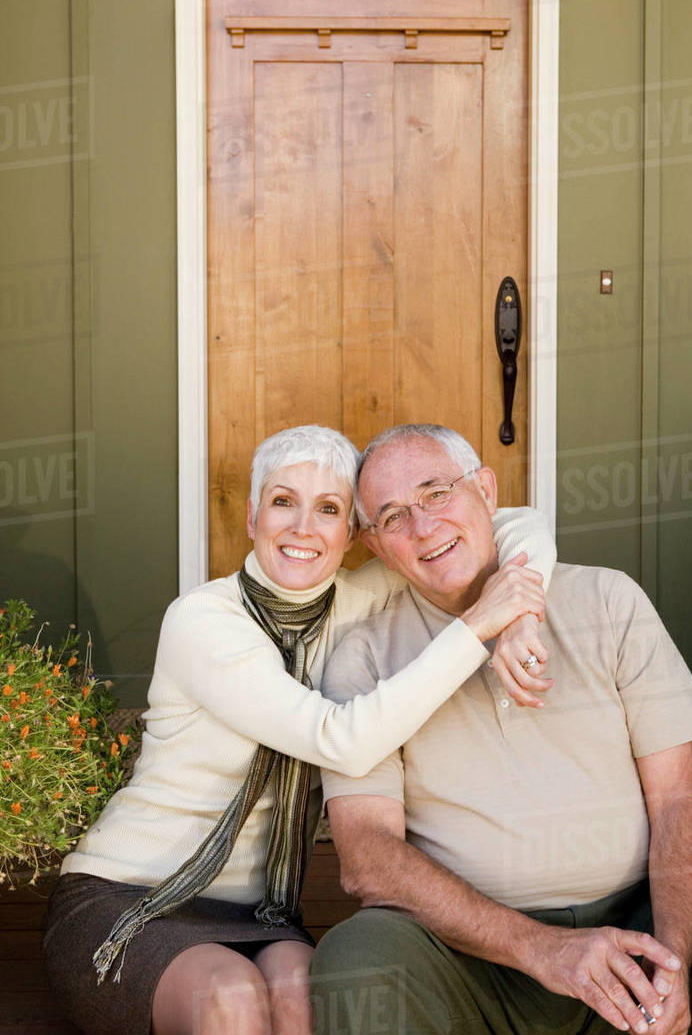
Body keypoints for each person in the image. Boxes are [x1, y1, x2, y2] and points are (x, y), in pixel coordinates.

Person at [43, 425, 555, 1035]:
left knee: (306, 996)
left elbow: (513, 524)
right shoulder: (204, 620)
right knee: (229, 999)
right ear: (254, 515)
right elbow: (343, 739)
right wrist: (478, 629)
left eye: (329, 509)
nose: (304, 528)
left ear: (355, 536)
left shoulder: (350, 601)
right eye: (284, 501)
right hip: (127, 896)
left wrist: (523, 615)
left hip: (261, 915)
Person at [313, 423, 692, 1035]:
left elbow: (679, 796)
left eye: (437, 493)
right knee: (356, 965)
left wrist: (670, 958)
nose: (422, 525)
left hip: (639, 924)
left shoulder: (608, 601)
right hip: (471, 957)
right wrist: (544, 949)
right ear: (378, 548)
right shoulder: (364, 657)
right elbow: (368, 859)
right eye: (391, 517)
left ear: (487, 491)